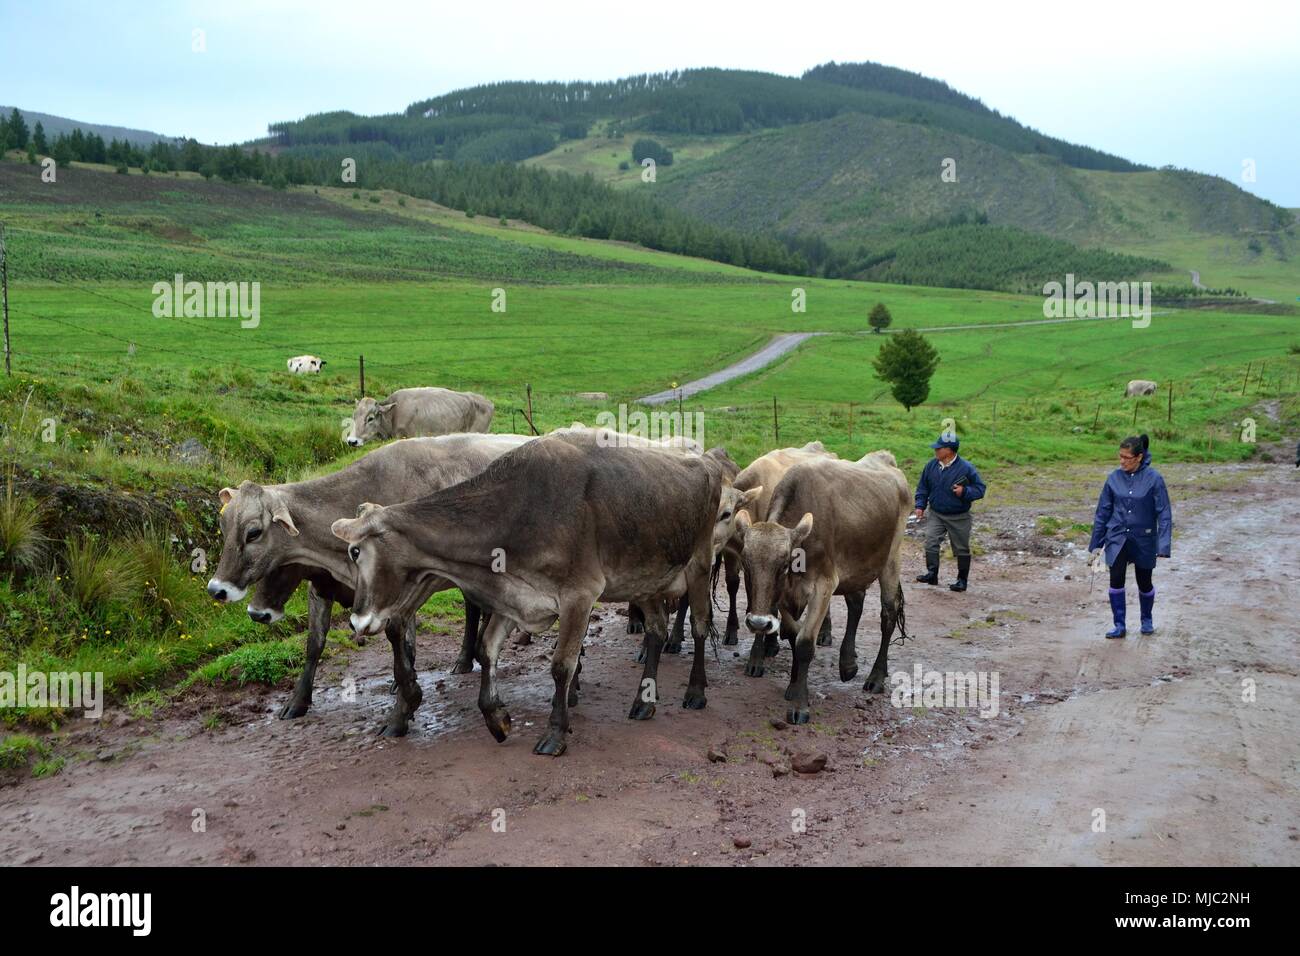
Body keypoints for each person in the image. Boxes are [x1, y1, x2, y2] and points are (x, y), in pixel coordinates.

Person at [1087, 433, 1173, 638]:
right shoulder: (1113, 479)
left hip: (1144, 538)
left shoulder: (1154, 479)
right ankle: (1119, 625)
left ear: (1139, 457)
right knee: (1115, 580)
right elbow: (1102, 512)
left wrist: (1163, 545)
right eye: (1120, 456)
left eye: (1126, 457)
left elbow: (1164, 513)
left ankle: (1146, 619)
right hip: (1117, 538)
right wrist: (1095, 546)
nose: (1122, 461)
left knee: (1144, 581)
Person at [914, 434, 986, 592]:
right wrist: (920, 505)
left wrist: (965, 491)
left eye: (939, 448)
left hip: (959, 516)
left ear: (949, 450)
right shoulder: (931, 466)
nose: (935, 450)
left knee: (961, 548)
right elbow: (922, 487)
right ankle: (932, 574)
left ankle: (962, 580)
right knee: (931, 542)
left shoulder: (966, 468)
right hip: (936, 513)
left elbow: (980, 489)